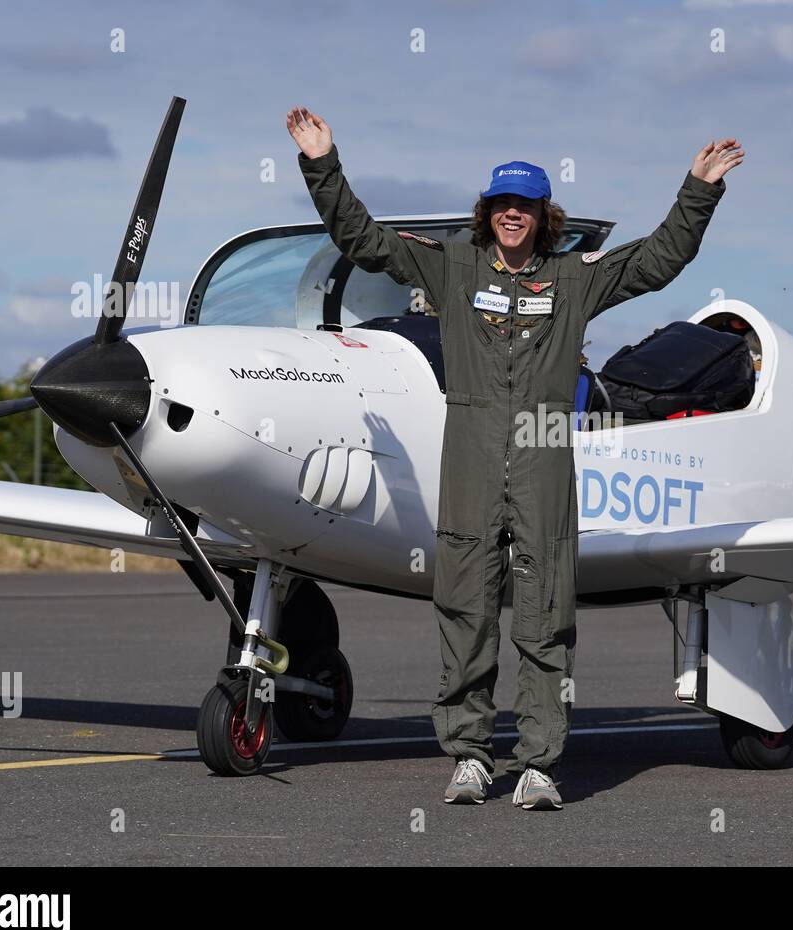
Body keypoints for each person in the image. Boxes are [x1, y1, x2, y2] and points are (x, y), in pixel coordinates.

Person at [288, 106, 742, 809]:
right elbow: (363, 238)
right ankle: (470, 755)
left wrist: (698, 189)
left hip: (545, 464)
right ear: (487, 210)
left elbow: (659, 259)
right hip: (469, 458)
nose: (511, 215)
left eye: (524, 205)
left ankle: (538, 764)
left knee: (544, 616)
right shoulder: (452, 267)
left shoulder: (573, 279)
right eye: (501, 203)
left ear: (542, 215)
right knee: (464, 609)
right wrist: (322, 164)